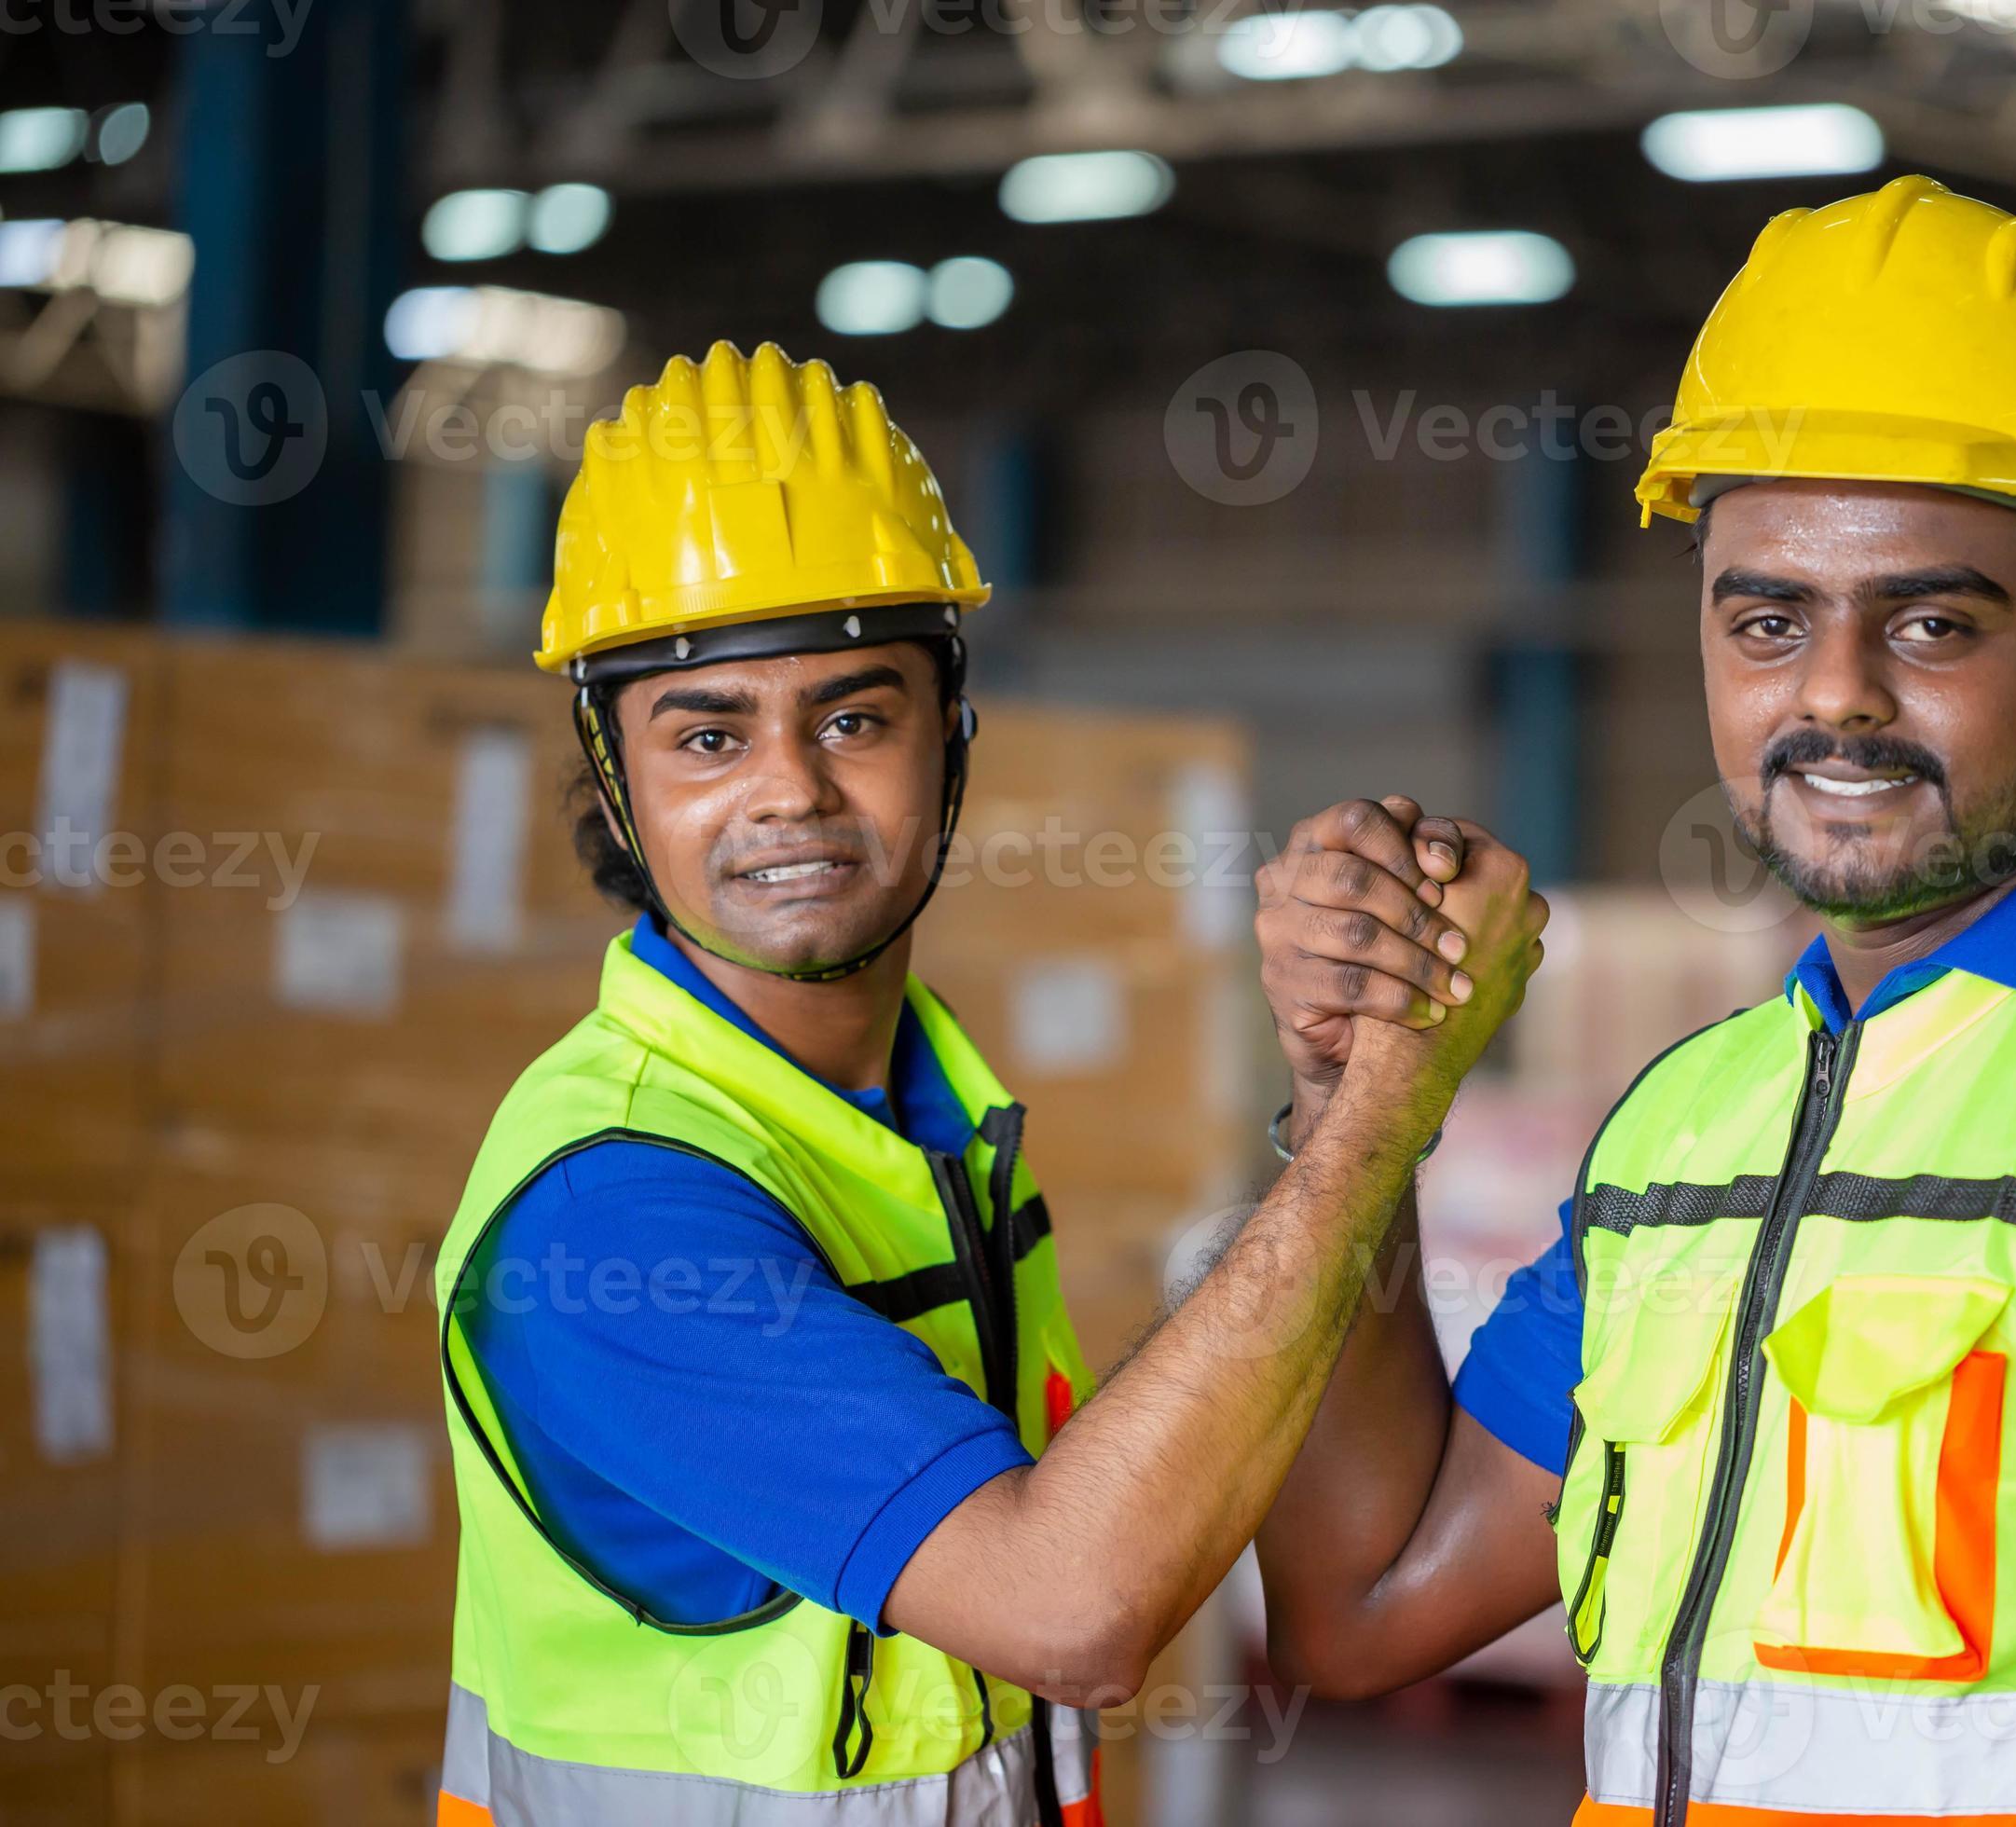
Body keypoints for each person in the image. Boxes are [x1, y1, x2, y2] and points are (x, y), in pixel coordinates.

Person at [1250, 175, 2016, 1826]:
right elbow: (1366, 1605)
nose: (1835, 695)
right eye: (1769, 620)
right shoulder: (1692, 1124)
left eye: (1928, 621)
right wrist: (1353, 1109)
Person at [428, 342, 1546, 1827]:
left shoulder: (925, 1126)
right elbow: (1069, 1605)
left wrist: (1341, 1077)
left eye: (853, 716)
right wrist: (1387, 1099)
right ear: (614, 773)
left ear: (951, 739)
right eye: (707, 735)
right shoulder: (612, 1212)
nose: (791, 791)